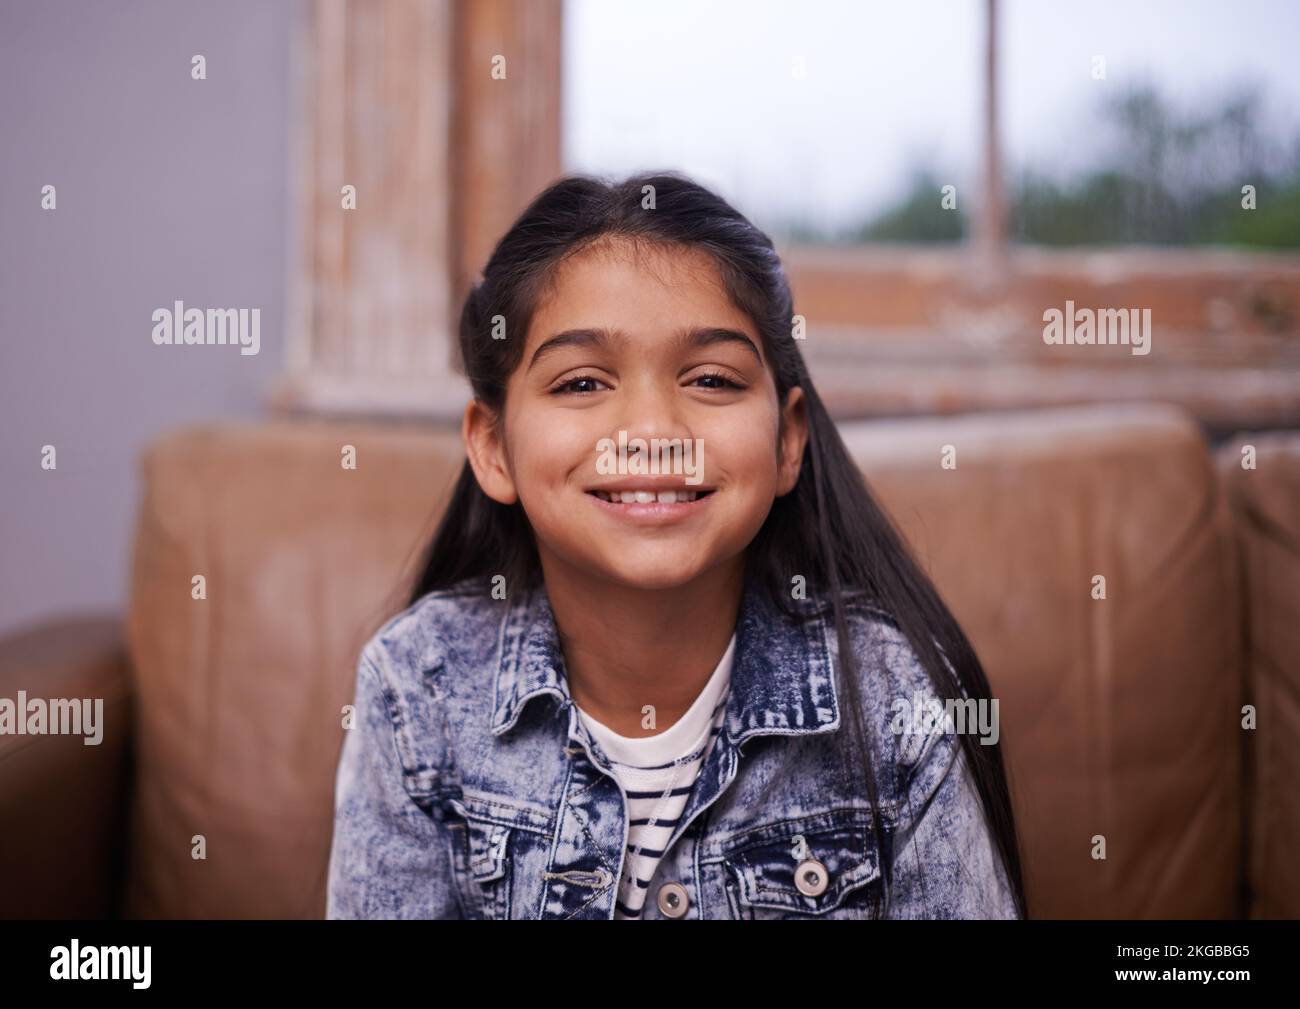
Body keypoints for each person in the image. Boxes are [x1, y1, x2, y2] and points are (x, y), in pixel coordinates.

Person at [325, 171, 1027, 920]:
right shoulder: (416, 689)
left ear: (788, 439)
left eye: (712, 379)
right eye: (583, 383)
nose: (653, 433)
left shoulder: (893, 695)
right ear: (493, 446)